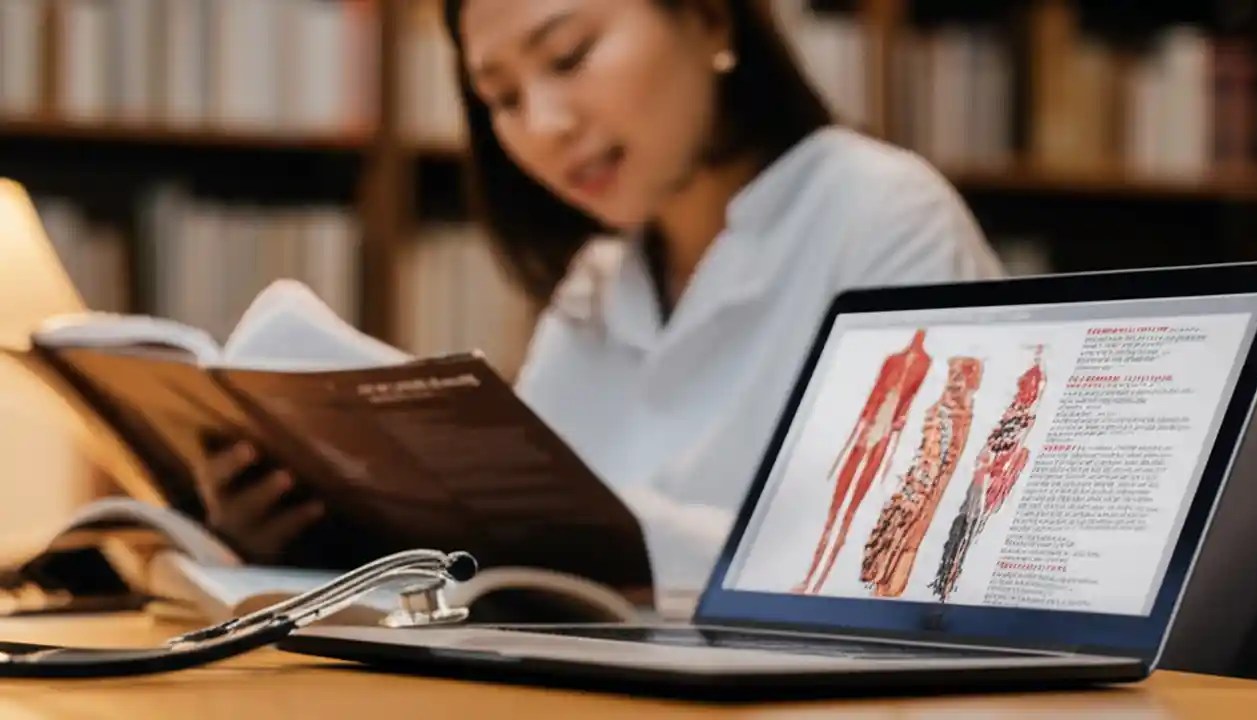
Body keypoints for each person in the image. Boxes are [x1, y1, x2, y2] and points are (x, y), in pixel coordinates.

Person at [198, 0, 1004, 596]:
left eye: (569, 55)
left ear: (710, 19)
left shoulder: (883, 215)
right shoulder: (598, 281)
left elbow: (904, 565)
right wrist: (304, 532)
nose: (543, 125)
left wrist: (606, 540)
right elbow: (509, 549)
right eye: (502, 99)